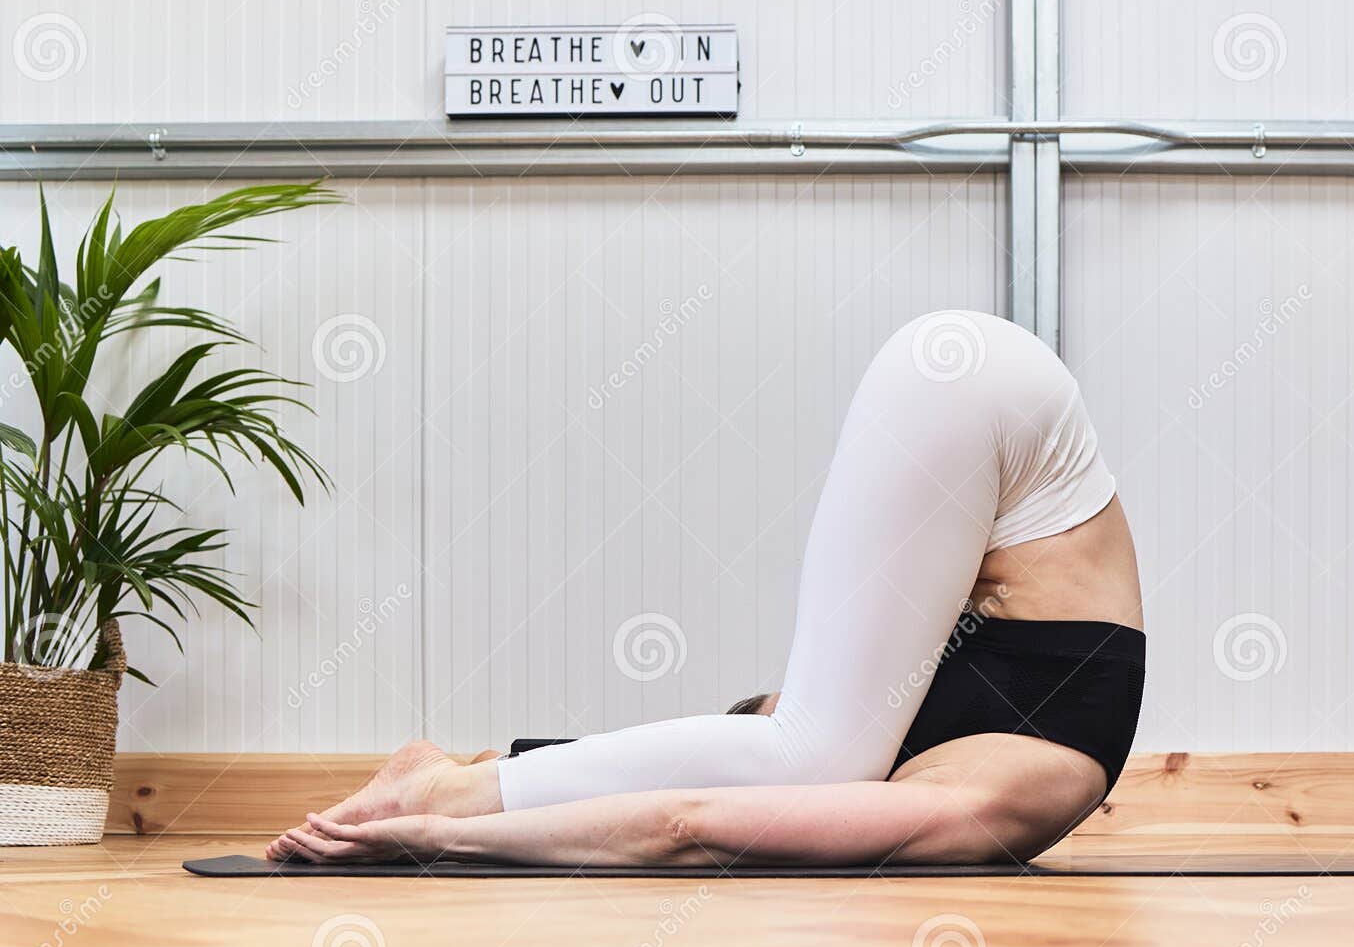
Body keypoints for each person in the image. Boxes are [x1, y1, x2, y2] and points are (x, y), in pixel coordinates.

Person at [269, 310, 1144, 867]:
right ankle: (443, 781)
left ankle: (456, 778)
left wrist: (465, 806)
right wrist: (443, 825)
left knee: (811, 749)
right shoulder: (961, 796)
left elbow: (688, 809)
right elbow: (686, 821)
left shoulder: (925, 754)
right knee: (814, 754)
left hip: (983, 400)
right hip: (982, 398)